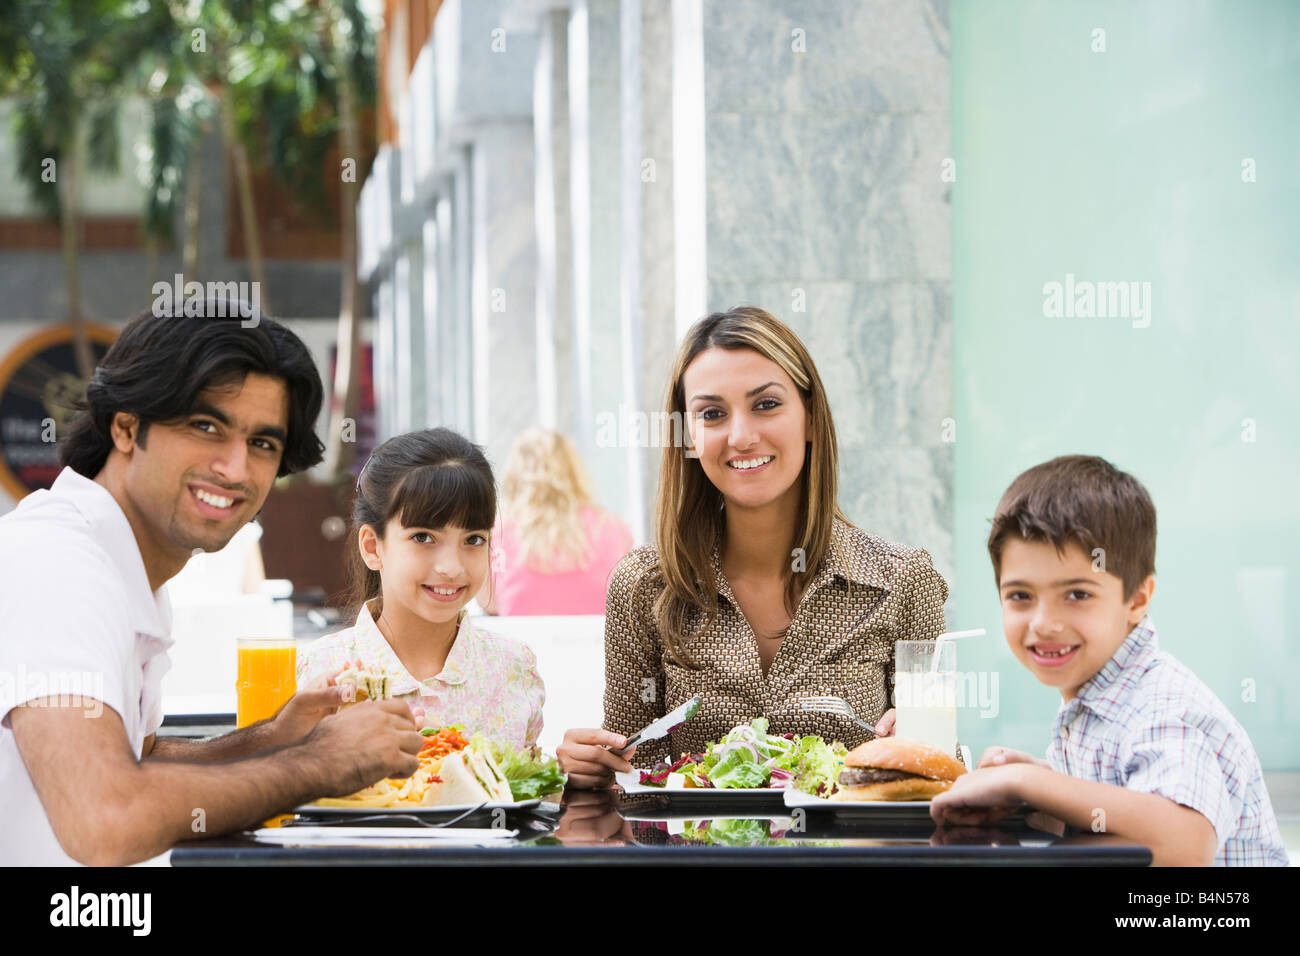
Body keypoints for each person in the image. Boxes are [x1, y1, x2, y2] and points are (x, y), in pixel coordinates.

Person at [0, 300, 424, 866]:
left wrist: (275, 739)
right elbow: (106, 819)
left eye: (262, 444)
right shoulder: (59, 563)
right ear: (126, 426)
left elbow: (138, 763)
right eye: (206, 426)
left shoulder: (126, 565)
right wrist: (320, 763)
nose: (234, 468)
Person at [557, 306, 950, 788]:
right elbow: (636, 779)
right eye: (712, 414)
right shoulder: (644, 586)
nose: (741, 436)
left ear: (809, 417)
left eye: (766, 405)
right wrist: (590, 771)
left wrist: (920, 744)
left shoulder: (904, 580)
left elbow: (934, 778)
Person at [929, 455, 1288, 866]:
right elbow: (1113, 815)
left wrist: (1025, 781)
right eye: (1020, 596)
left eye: (1077, 594)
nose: (1044, 623)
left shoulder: (1161, 709)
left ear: (1136, 599)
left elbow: (1186, 843)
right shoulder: (1098, 696)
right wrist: (1040, 788)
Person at [297, 428, 545, 749]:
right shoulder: (318, 672)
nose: (452, 567)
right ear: (373, 547)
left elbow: (528, 789)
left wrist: (574, 780)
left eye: (473, 539)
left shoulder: (514, 667)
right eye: (423, 537)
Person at [480, 426, 633, 616]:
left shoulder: (498, 530)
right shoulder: (613, 527)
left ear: (514, 474)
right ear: (574, 470)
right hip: (595, 641)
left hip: (521, 640)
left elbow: (491, 603)